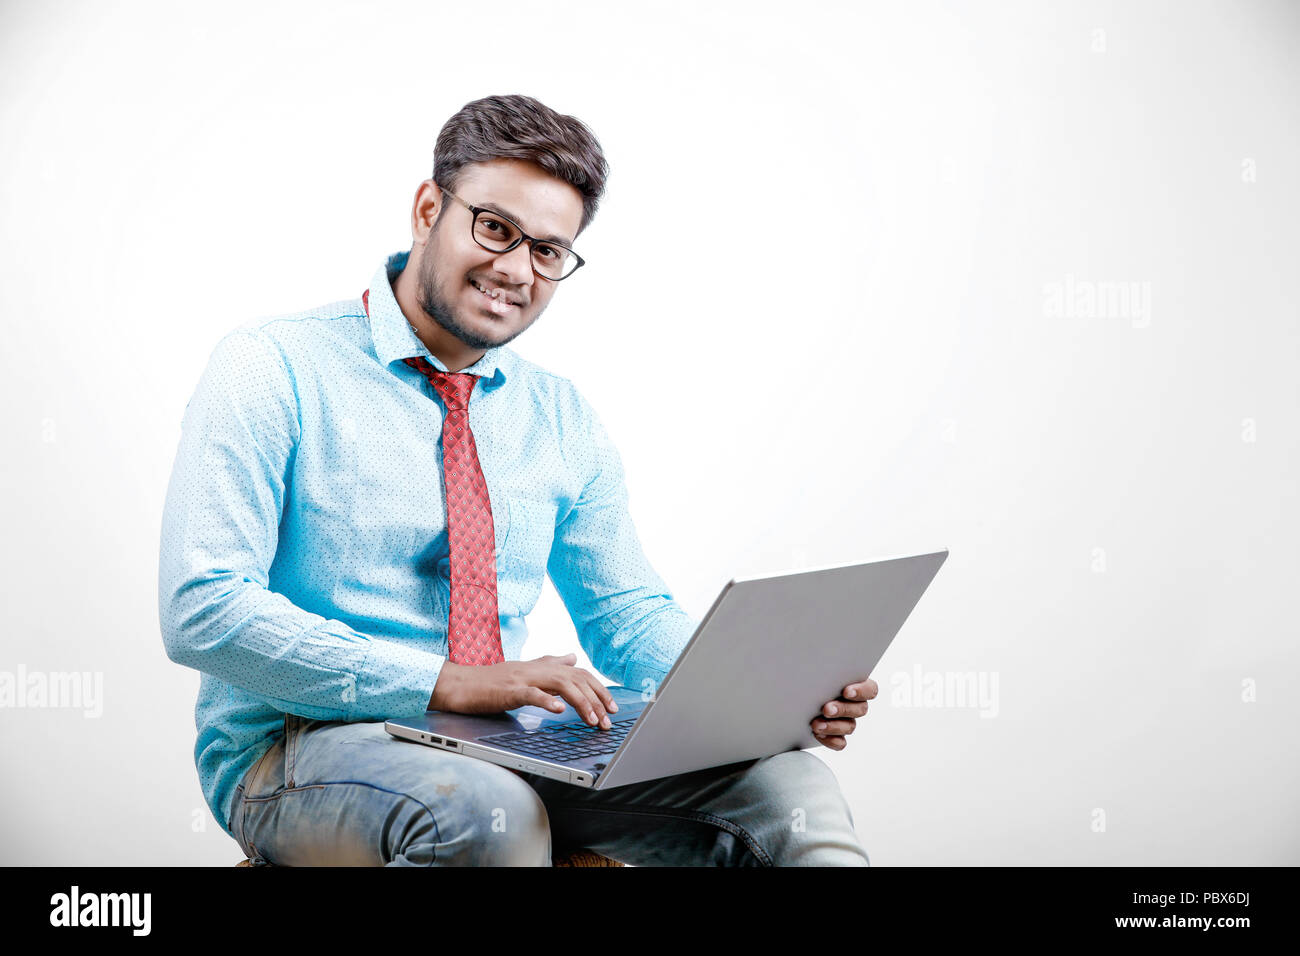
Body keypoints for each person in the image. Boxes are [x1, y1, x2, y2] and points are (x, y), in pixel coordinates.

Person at [158, 93, 876, 866]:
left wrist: (752, 704)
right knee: (486, 811)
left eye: (547, 251)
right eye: (495, 228)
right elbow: (204, 608)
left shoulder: (559, 415)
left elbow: (625, 611)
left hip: (510, 740)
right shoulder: (272, 367)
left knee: (789, 789)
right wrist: (445, 683)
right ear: (428, 208)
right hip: (302, 745)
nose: (513, 269)